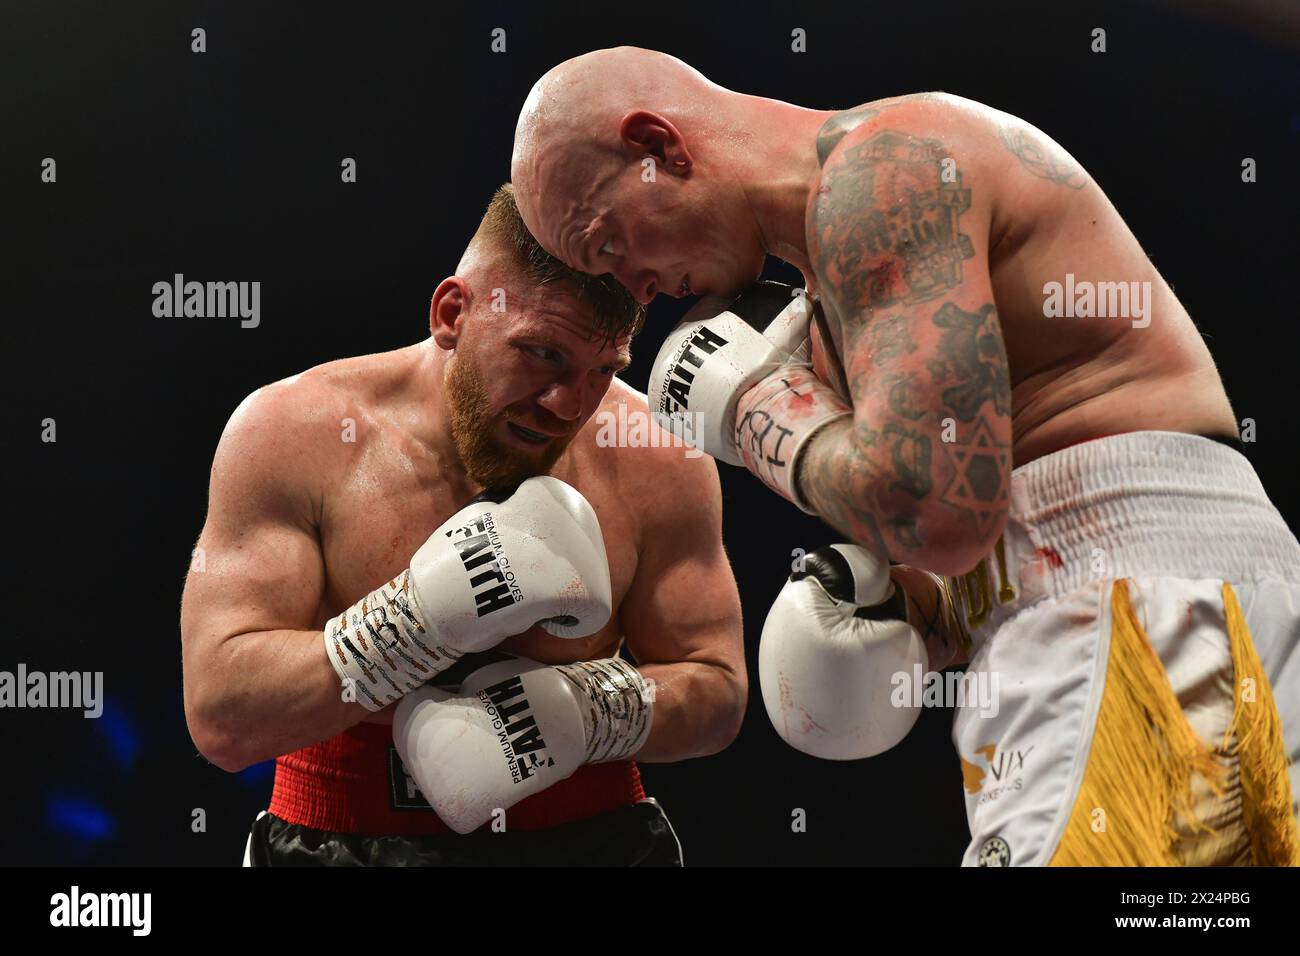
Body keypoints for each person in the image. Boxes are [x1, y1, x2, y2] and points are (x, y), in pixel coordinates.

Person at [509, 48, 1300, 866]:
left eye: (608, 247)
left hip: (1127, 632)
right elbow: (982, 509)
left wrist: (754, 411)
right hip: (1196, 612)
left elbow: (936, 512)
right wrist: (910, 614)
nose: (635, 289)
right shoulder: (831, 297)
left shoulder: (882, 175)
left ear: (658, 147)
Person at [180, 184, 745, 866]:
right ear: (453, 313)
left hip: (589, 841)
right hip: (338, 841)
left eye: (604, 368)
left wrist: (589, 712)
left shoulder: (654, 454)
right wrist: (413, 623)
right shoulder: (293, 433)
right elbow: (222, 716)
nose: (569, 403)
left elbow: (717, 690)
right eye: (542, 354)